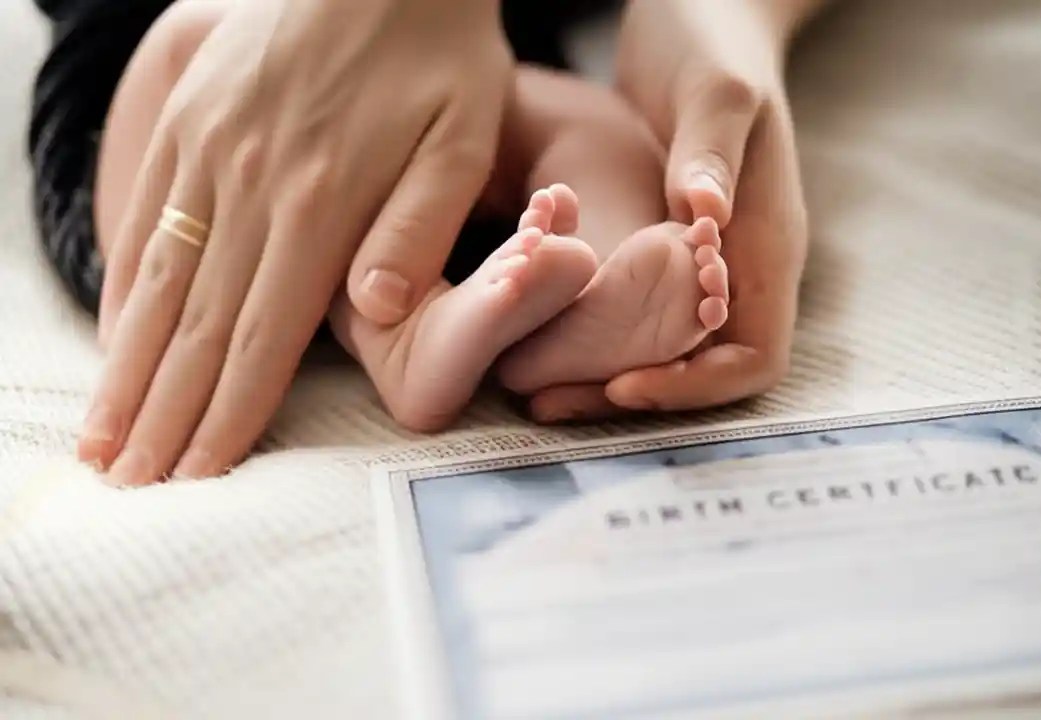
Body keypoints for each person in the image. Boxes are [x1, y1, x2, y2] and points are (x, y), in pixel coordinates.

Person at [29, 0, 822, 486]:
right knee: (196, 41)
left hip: (482, 89)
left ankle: (579, 302)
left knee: (593, 126)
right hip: (193, 125)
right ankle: (408, 338)